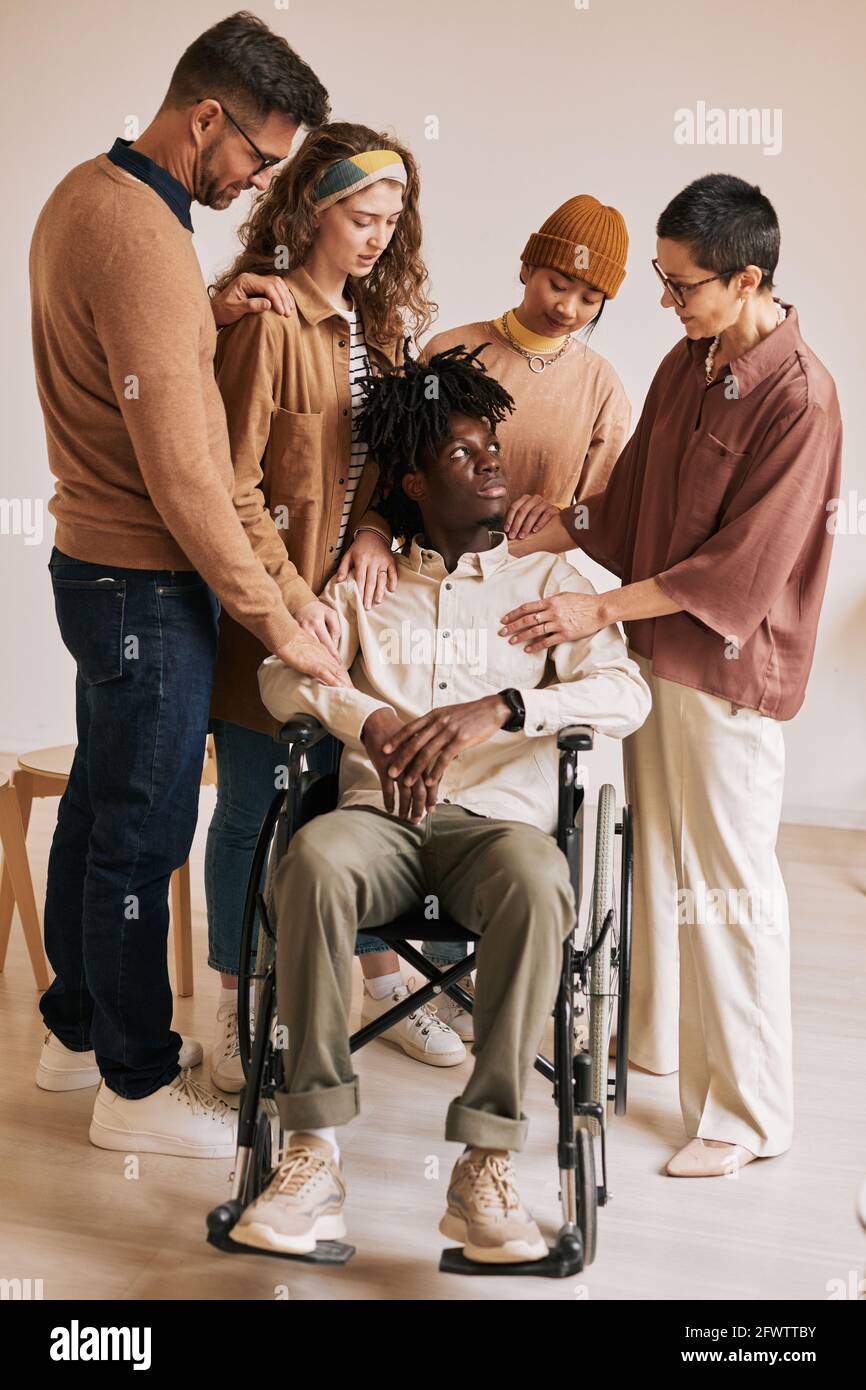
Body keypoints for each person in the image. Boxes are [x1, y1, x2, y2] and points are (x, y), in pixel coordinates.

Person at [232, 342, 650, 1261]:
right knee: (310, 860)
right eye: (465, 455)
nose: (493, 462)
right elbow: (277, 678)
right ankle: (312, 1153)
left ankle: (485, 1166)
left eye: (491, 448)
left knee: (543, 882)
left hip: (497, 832)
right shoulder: (368, 580)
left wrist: (504, 705)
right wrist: (370, 718)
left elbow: (629, 697)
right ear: (415, 484)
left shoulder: (549, 584)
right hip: (378, 824)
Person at [29, 13, 347, 1159]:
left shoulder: (89, 195)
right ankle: (136, 1084)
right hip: (142, 582)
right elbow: (189, 480)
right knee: (143, 836)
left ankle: (69, 1036)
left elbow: (112, 345)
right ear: (204, 116)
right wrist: (279, 624)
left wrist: (200, 315)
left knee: (100, 813)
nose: (254, 179)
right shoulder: (144, 237)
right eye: (255, 157)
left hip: (92, 566)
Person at [499, 174, 843, 1177]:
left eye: (681, 283)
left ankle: (748, 1113)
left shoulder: (801, 396)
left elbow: (738, 568)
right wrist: (555, 526)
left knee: (729, 888)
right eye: (659, 278)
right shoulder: (686, 360)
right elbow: (637, 492)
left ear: (746, 279)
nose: (665, 298)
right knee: (657, 868)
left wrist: (594, 606)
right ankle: (653, 1050)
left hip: (729, 676)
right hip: (657, 660)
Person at [202, 124, 467, 1088]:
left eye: (392, 223)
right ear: (313, 206)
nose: (377, 239)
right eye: (362, 218)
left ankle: (378, 985)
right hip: (261, 613)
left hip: (353, 611)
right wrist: (286, 603)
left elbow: (388, 474)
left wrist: (374, 532)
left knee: (342, 808)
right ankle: (229, 1013)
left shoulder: (384, 333)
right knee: (250, 810)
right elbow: (229, 488)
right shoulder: (268, 324)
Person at [342, 193, 633, 1032]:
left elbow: (606, 507)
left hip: (526, 584)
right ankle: (400, 978)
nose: (568, 308)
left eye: (588, 300)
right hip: (423, 574)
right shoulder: (453, 351)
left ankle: (500, 983)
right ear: (526, 266)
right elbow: (390, 466)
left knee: (532, 763)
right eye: (556, 282)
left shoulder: (601, 385)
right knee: (413, 722)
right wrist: (367, 530)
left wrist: (565, 528)